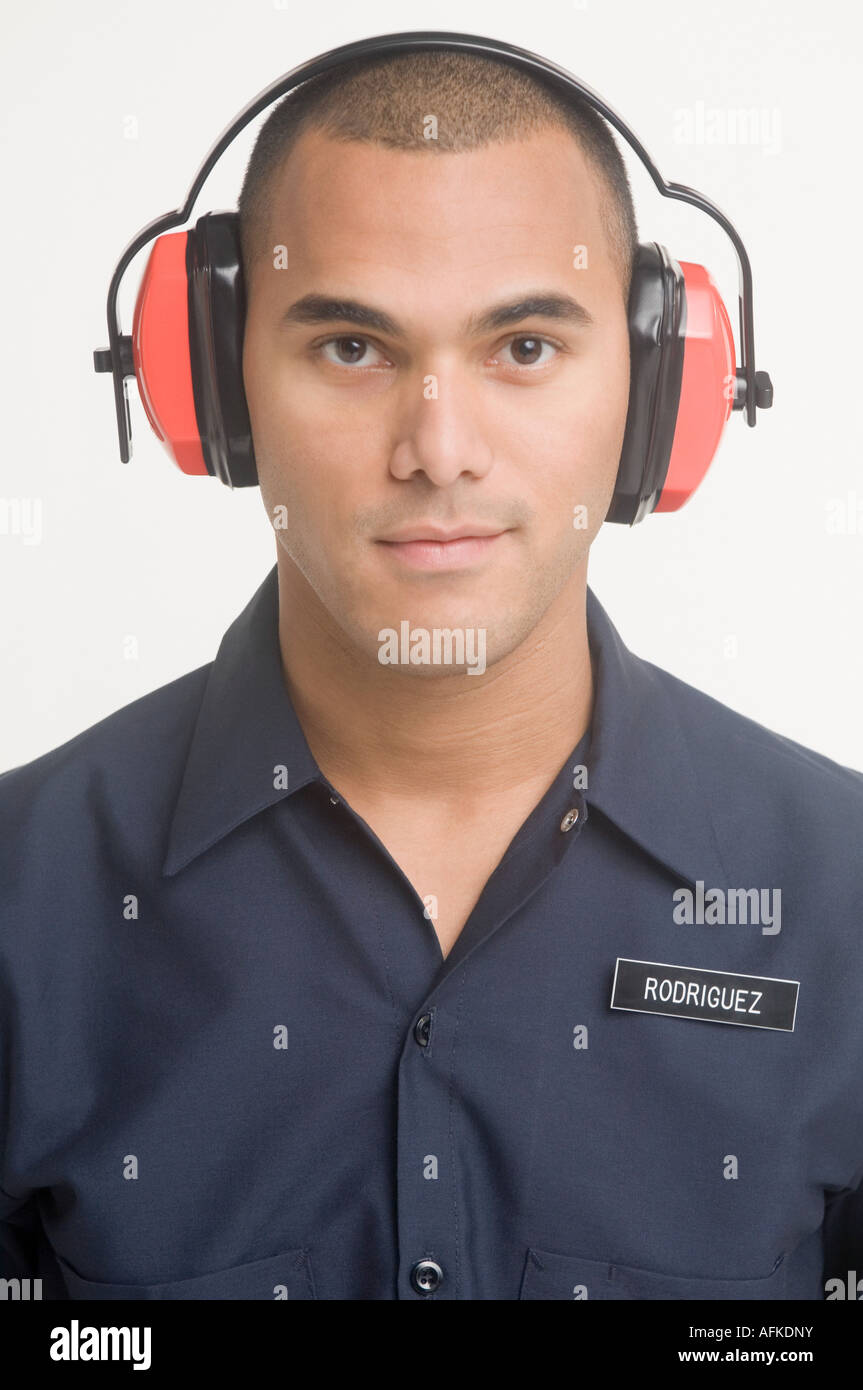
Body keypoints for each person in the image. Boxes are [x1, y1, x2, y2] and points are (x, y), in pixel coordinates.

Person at [1, 45, 861, 1303]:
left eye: (522, 345)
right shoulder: (24, 909)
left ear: (657, 389)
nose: (438, 450)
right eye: (352, 347)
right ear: (215, 388)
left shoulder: (840, 899)